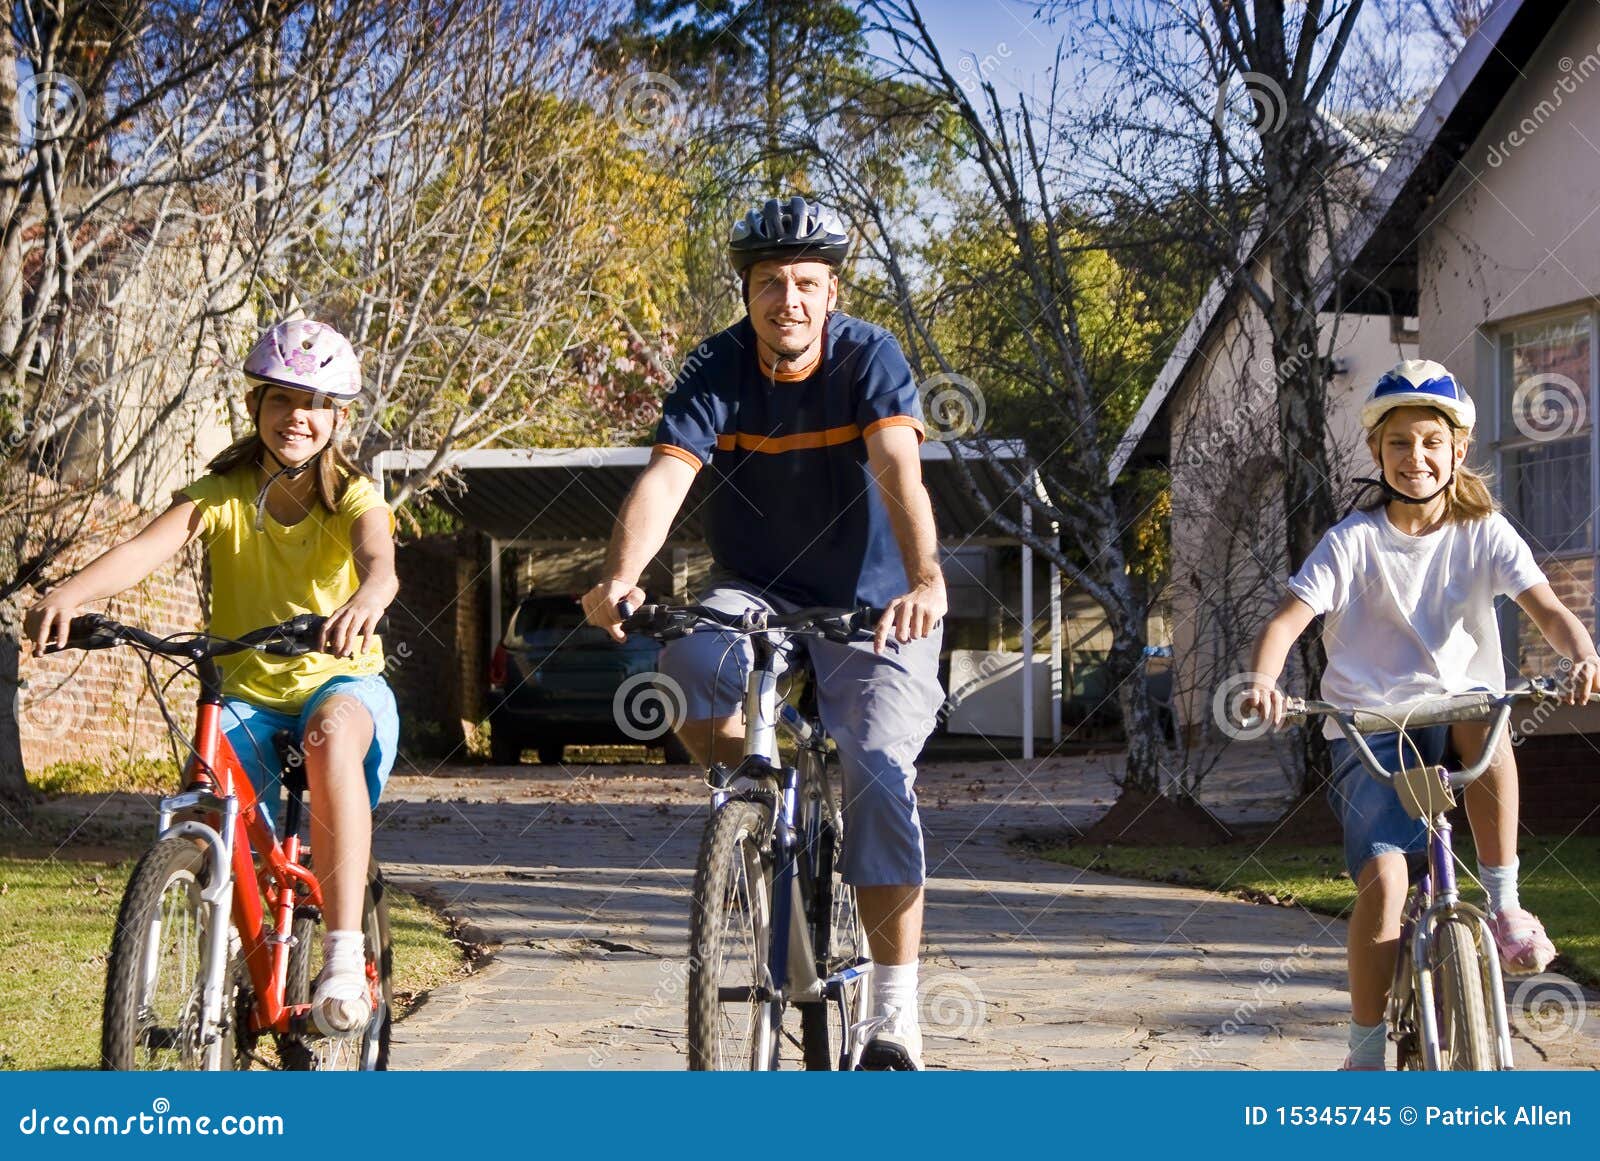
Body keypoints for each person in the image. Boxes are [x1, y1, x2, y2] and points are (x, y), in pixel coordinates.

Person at [581, 195, 946, 1069]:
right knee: (685, 667)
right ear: (746, 292)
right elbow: (666, 480)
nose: (790, 298)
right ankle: (759, 816)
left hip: (873, 600)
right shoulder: (716, 365)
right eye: (771, 282)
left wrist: (927, 576)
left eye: (807, 283)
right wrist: (622, 577)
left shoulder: (870, 356)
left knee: (876, 766)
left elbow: (899, 470)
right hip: (753, 591)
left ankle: (894, 1014)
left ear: (832, 291)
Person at [25, 319, 400, 1038]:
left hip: (338, 681)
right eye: (282, 399)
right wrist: (73, 593)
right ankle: (224, 927)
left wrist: (365, 599)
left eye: (317, 403)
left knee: (329, 736)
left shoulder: (353, 493)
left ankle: (345, 953)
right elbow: (145, 547)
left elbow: (378, 561)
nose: (299, 417)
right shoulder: (224, 492)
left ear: (338, 418)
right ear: (256, 404)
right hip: (246, 691)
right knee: (205, 788)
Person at [1240, 358, 1596, 1070]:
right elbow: (1287, 619)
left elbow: (1549, 609)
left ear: (1458, 451)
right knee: (1387, 882)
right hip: (1371, 730)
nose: (1416, 457)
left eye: (1432, 441)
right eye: (1399, 443)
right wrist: (1263, 681)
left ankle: (1503, 905)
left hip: (1458, 717)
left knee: (1486, 710)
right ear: (1377, 453)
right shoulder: (1353, 541)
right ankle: (1367, 1048)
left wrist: (1584, 653)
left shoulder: (1484, 532)